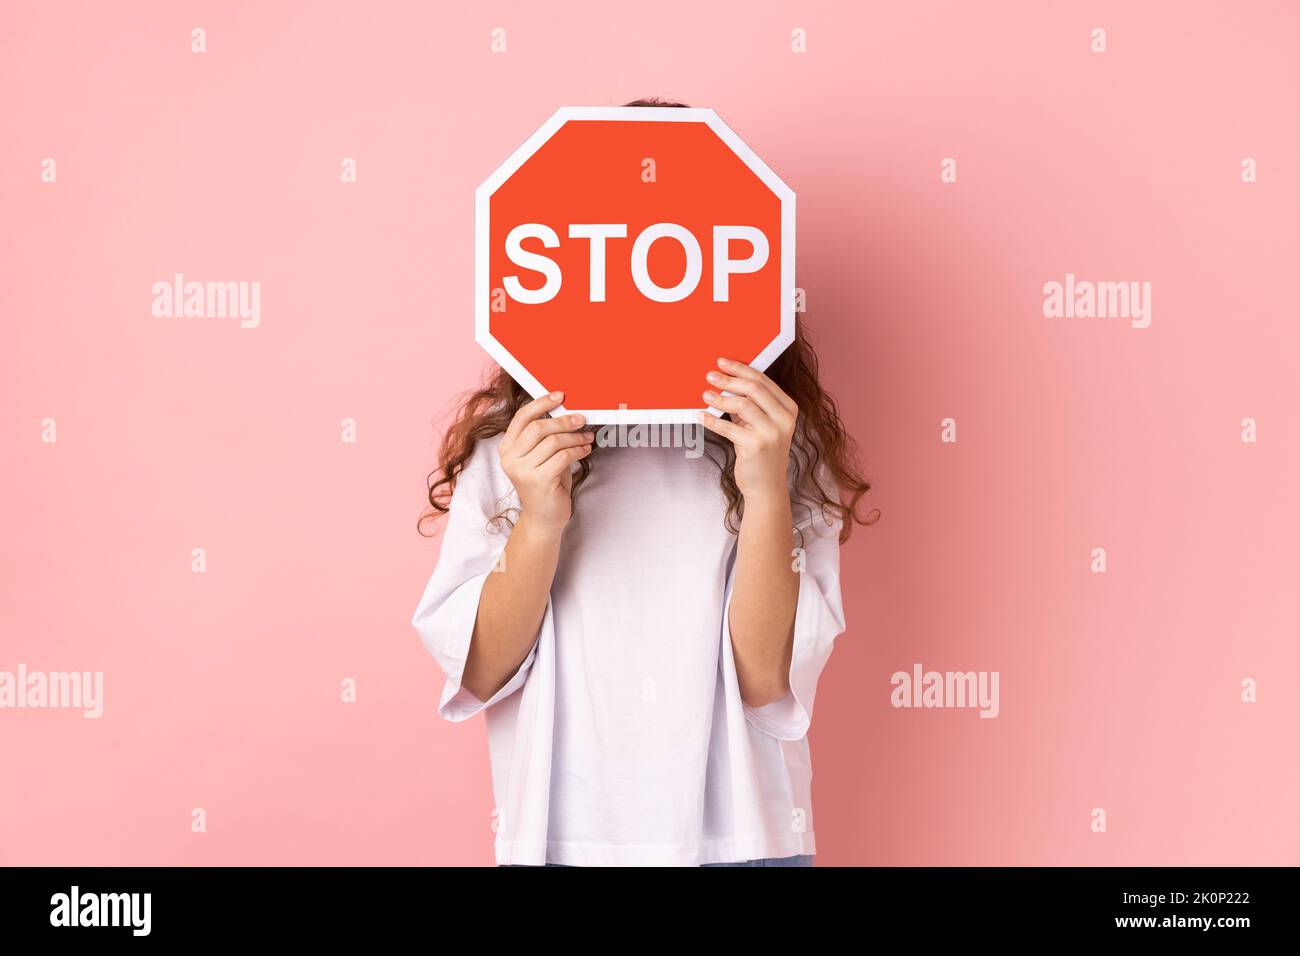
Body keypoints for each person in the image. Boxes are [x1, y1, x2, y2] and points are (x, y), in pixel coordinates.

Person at [412, 99, 875, 867]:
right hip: (564, 841)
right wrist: (539, 520)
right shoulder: (516, 450)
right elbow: (482, 670)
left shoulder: (778, 447)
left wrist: (764, 493)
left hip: (745, 841)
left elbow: (768, 687)